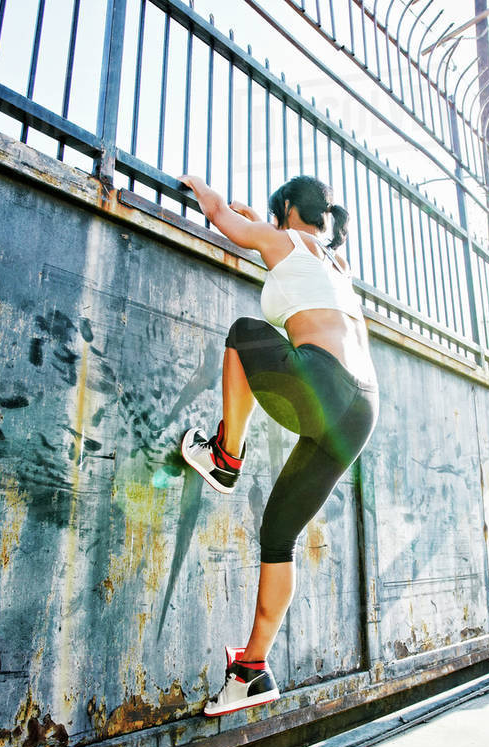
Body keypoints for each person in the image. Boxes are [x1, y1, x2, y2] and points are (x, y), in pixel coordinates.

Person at [177, 174, 379, 717]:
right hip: (361, 408)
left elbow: (222, 217)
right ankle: (253, 671)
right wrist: (260, 220)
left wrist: (201, 189)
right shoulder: (339, 265)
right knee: (278, 533)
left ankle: (225, 457)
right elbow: (266, 231)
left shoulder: (284, 242)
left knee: (244, 334)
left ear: (286, 208)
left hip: (326, 381)